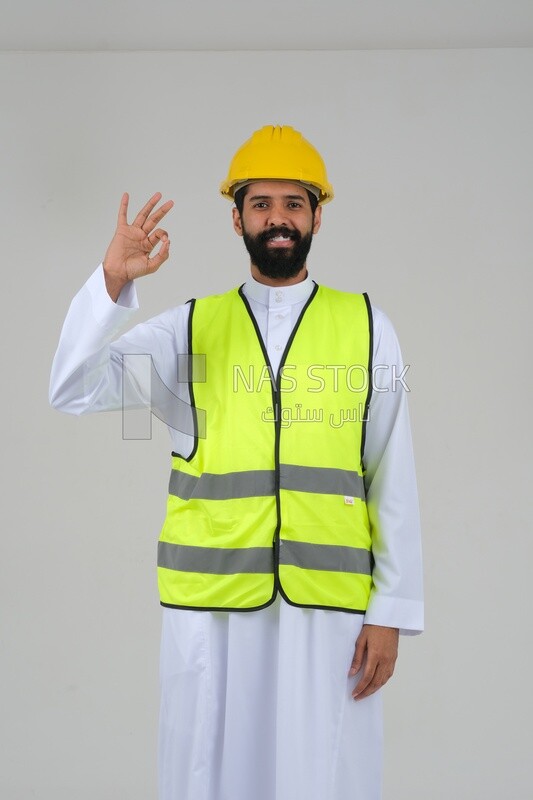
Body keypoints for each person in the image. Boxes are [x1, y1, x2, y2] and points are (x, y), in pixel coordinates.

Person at [50, 124, 423, 800]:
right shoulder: (189, 331)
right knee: (211, 779)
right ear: (236, 218)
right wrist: (112, 283)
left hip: (329, 613)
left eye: (292, 204)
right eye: (260, 205)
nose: (276, 219)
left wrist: (389, 612)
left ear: (316, 216)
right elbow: (73, 391)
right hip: (212, 611)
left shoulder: (368, 327)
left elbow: (390, 474)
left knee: (324, 779)